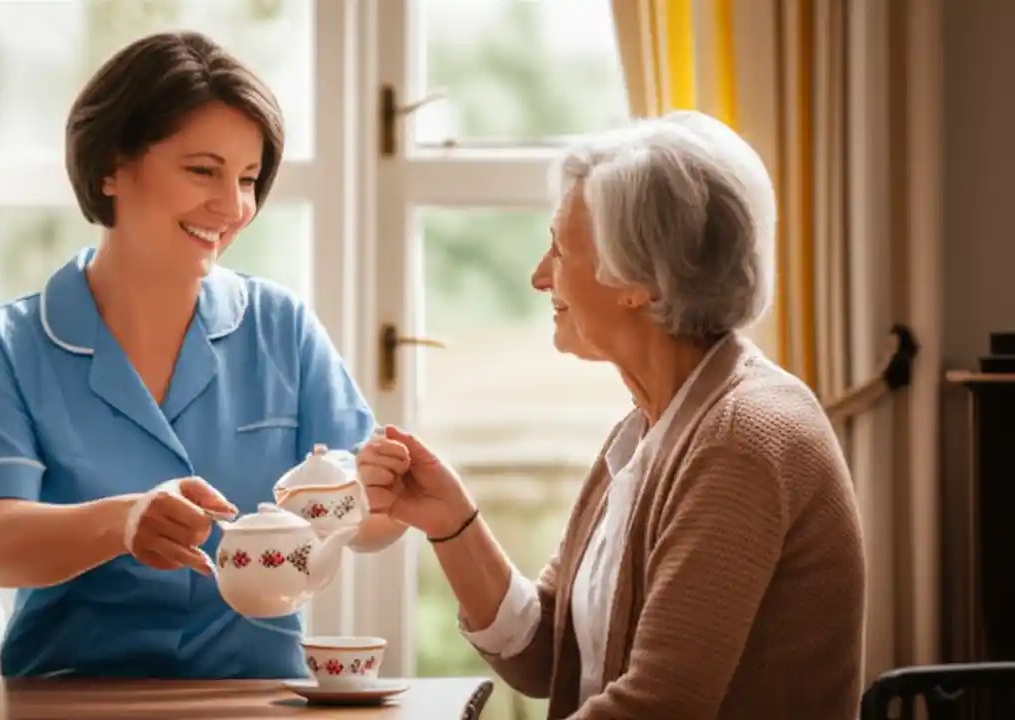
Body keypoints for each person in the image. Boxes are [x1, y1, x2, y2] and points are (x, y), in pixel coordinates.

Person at [358, 112, 866, 719]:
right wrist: (451, 522)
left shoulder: (743, 440)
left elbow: (658, 705)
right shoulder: (650, 429)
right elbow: (546, 655)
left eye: (560, 249)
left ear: (640, 280)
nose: (540, 276)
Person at [0, 31, 405, 680]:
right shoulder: (9, 344)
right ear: (110, 166)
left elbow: (365, 518)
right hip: (69, 697)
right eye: (202, 170)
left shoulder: (282, 326)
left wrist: (390, 491)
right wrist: (123, 521)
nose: (233, 205)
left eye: (247, 178)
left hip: (260, 695)